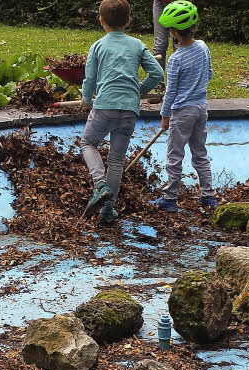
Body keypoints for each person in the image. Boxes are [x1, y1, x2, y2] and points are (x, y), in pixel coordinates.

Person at [81, 0, 165, 223]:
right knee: (117, 160)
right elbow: (157, 73)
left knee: (88, 144)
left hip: (105, 106)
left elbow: (90, 79)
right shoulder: (137, 45)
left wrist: (86, 99)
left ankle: (100, 184)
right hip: (129, 110)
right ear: (128, 21)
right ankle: (107, 211)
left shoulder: (98, 46)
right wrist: (138, 90)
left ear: (101, 21)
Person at [148, 1, 216, 212]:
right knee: (200, 153)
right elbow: (210, 74)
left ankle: (170, 198)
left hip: (181, 112)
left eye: (170, 31)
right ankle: (208, 196)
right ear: (193, 27)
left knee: (174, 155)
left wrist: (165, 115)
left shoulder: (175, 59)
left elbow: (171, 92)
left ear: (174, 32)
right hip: (200, 108)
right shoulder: (203, 47)